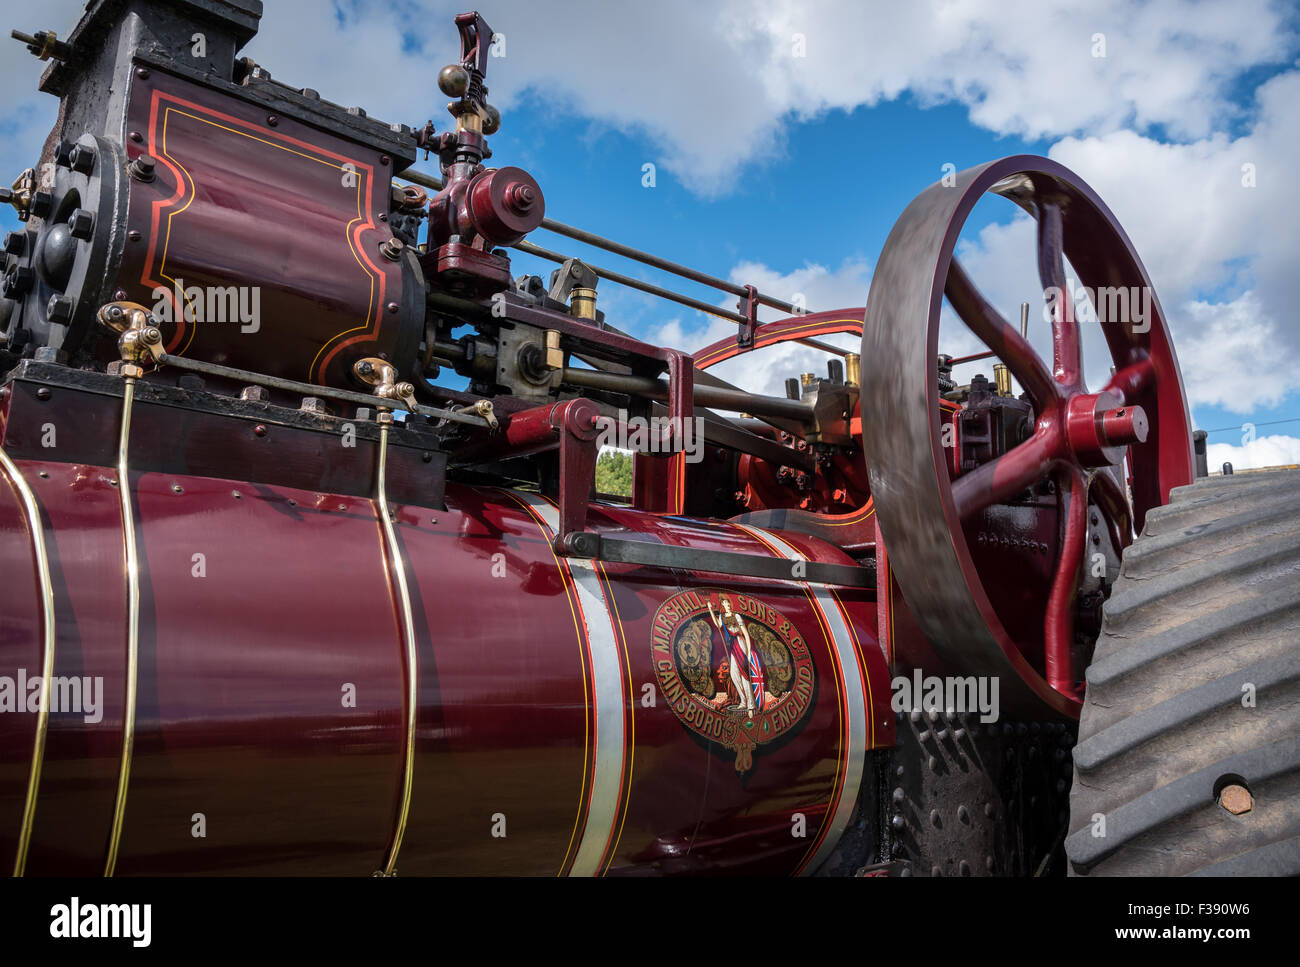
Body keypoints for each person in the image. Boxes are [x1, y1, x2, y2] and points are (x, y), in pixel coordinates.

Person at [707, 595, 765, 718]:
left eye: (727, 603)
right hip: (733, 645)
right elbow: (718, 624)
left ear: (730, 604)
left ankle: (750, 705)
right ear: (722, 605)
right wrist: (711, 610)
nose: (726, 605)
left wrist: (749, 652)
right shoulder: (722, 617)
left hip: (740, 643)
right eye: (724, 603)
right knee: (734, 674)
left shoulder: (736, 616)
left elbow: (745, 634)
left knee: (744, 674)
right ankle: (743, 701)